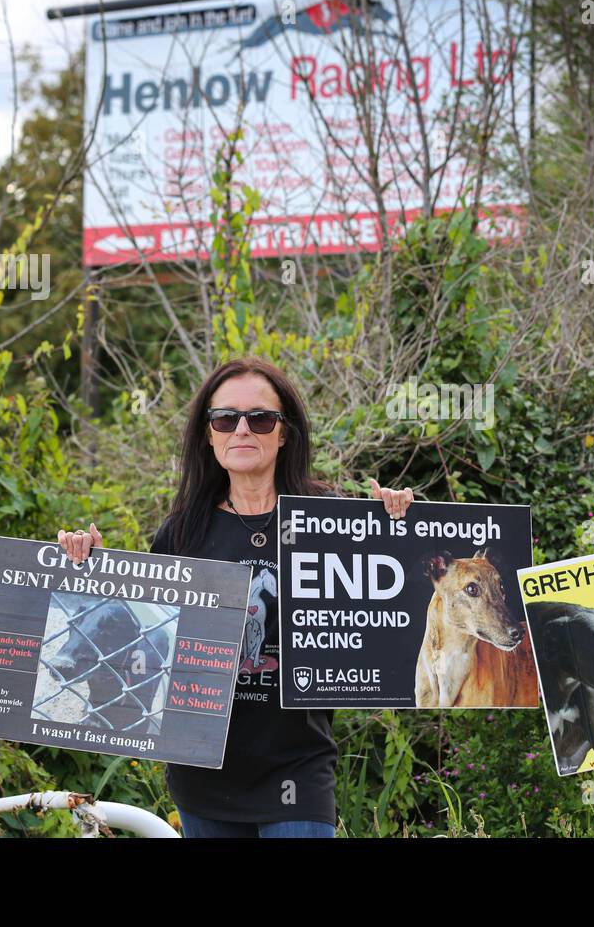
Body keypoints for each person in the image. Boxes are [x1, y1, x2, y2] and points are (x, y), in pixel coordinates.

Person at [57, 356, 414, 838]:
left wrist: (396, 528)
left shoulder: (331, 519)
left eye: (260, 418)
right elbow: (146, 634)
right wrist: (88, 570)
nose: (242, 430)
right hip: (203, 768)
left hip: (297, 765)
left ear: (284, 433)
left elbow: (398, 610)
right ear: (209, 434)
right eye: (225, 418)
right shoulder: (183, 531)